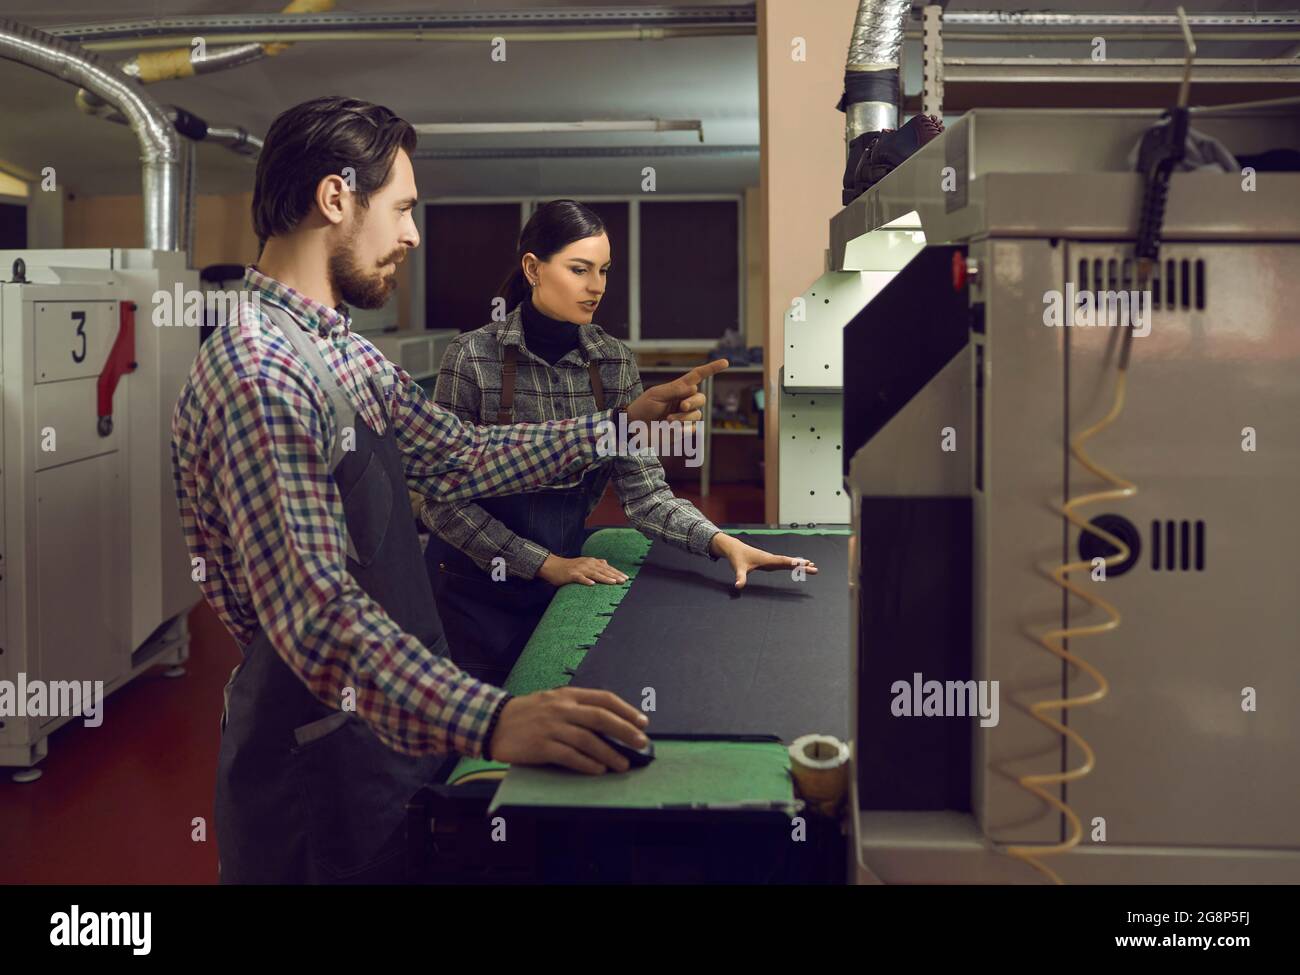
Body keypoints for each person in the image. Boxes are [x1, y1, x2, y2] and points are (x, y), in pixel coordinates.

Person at [169, 97, 726, 884]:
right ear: (335, 199)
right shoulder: (262, 374)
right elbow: (317, 616)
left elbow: (459, 456)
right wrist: (492, 717)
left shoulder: (342, 354)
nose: (412, 234)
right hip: (317, 770)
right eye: (400, 209)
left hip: (391, 731)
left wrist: (618, 424)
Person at [422, 199, 817, 686]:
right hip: (473, 594)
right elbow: (441, 501)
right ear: (532, 268)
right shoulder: (471, 357)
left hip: (563, 586)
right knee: (470, 748)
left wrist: (721, 543)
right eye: (579, 269)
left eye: (604, 271)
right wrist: (543, 564)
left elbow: (646, 494)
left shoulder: (612, 363)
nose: (597, 287)